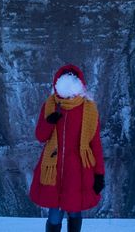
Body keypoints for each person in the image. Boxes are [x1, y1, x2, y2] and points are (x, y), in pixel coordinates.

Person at [28, 64, 105, 232]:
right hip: (53, 172)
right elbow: (40, 136)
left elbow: (95, 144)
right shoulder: (51, 105)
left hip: (78, 173)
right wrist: (49, 122)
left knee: (74, 213)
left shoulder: (89, 109)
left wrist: (99, 174)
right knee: (54, 215)